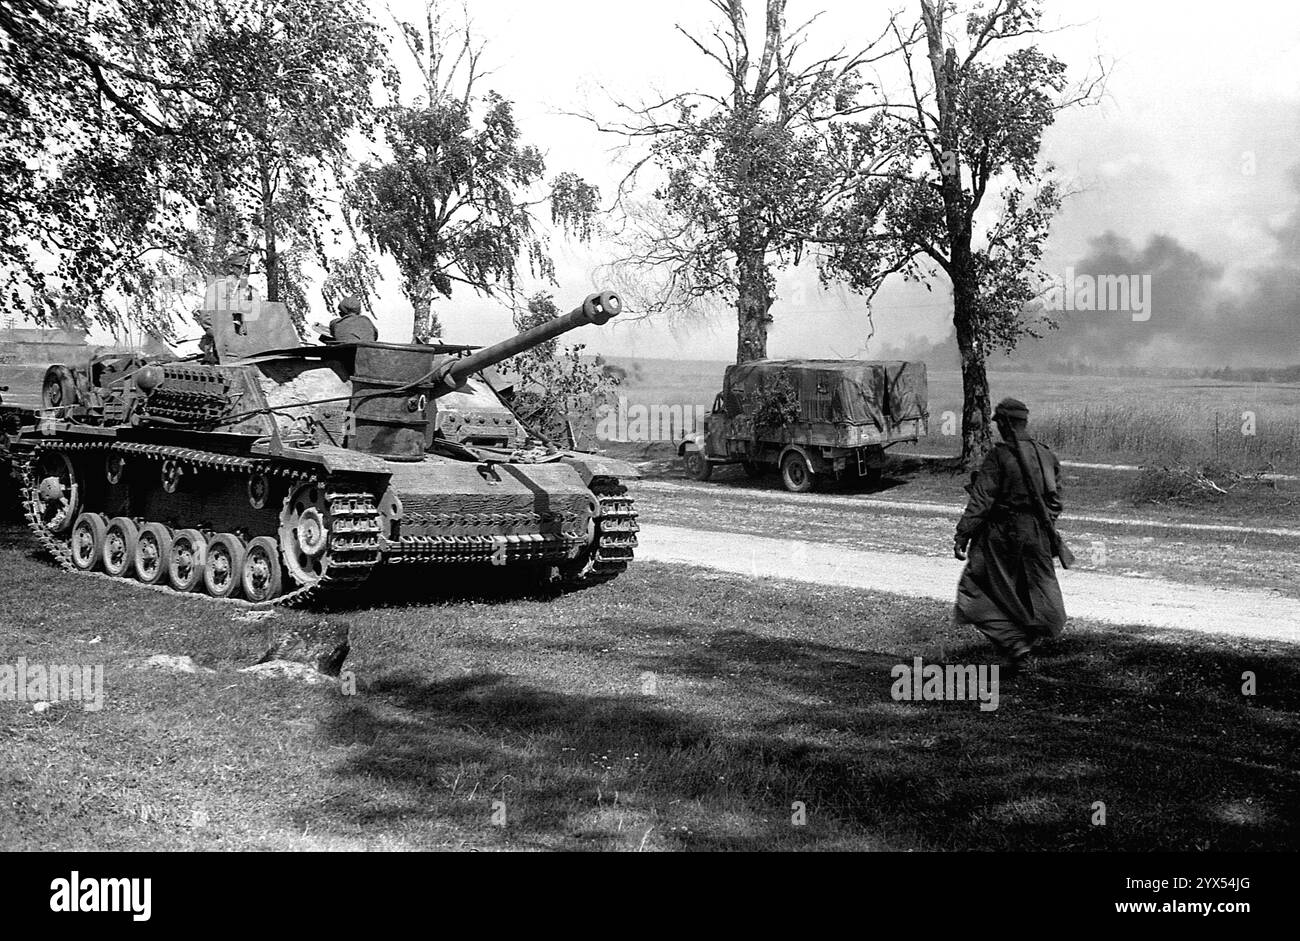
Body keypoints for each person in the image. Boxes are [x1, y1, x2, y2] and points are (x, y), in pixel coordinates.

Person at [952, 397, 1067, 675]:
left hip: (1001, 535)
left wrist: (962, 535)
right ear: (1024, 422)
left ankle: (1017, 647)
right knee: (1032, 589)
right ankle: (1025, 641)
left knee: (974, 590)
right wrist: (1042, 526)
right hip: (1036, 534)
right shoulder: (1046, 454)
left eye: (999, 423)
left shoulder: (999, 457)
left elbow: (981, 502)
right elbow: (1055, 501)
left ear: (1004, 424)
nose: (998, 429)